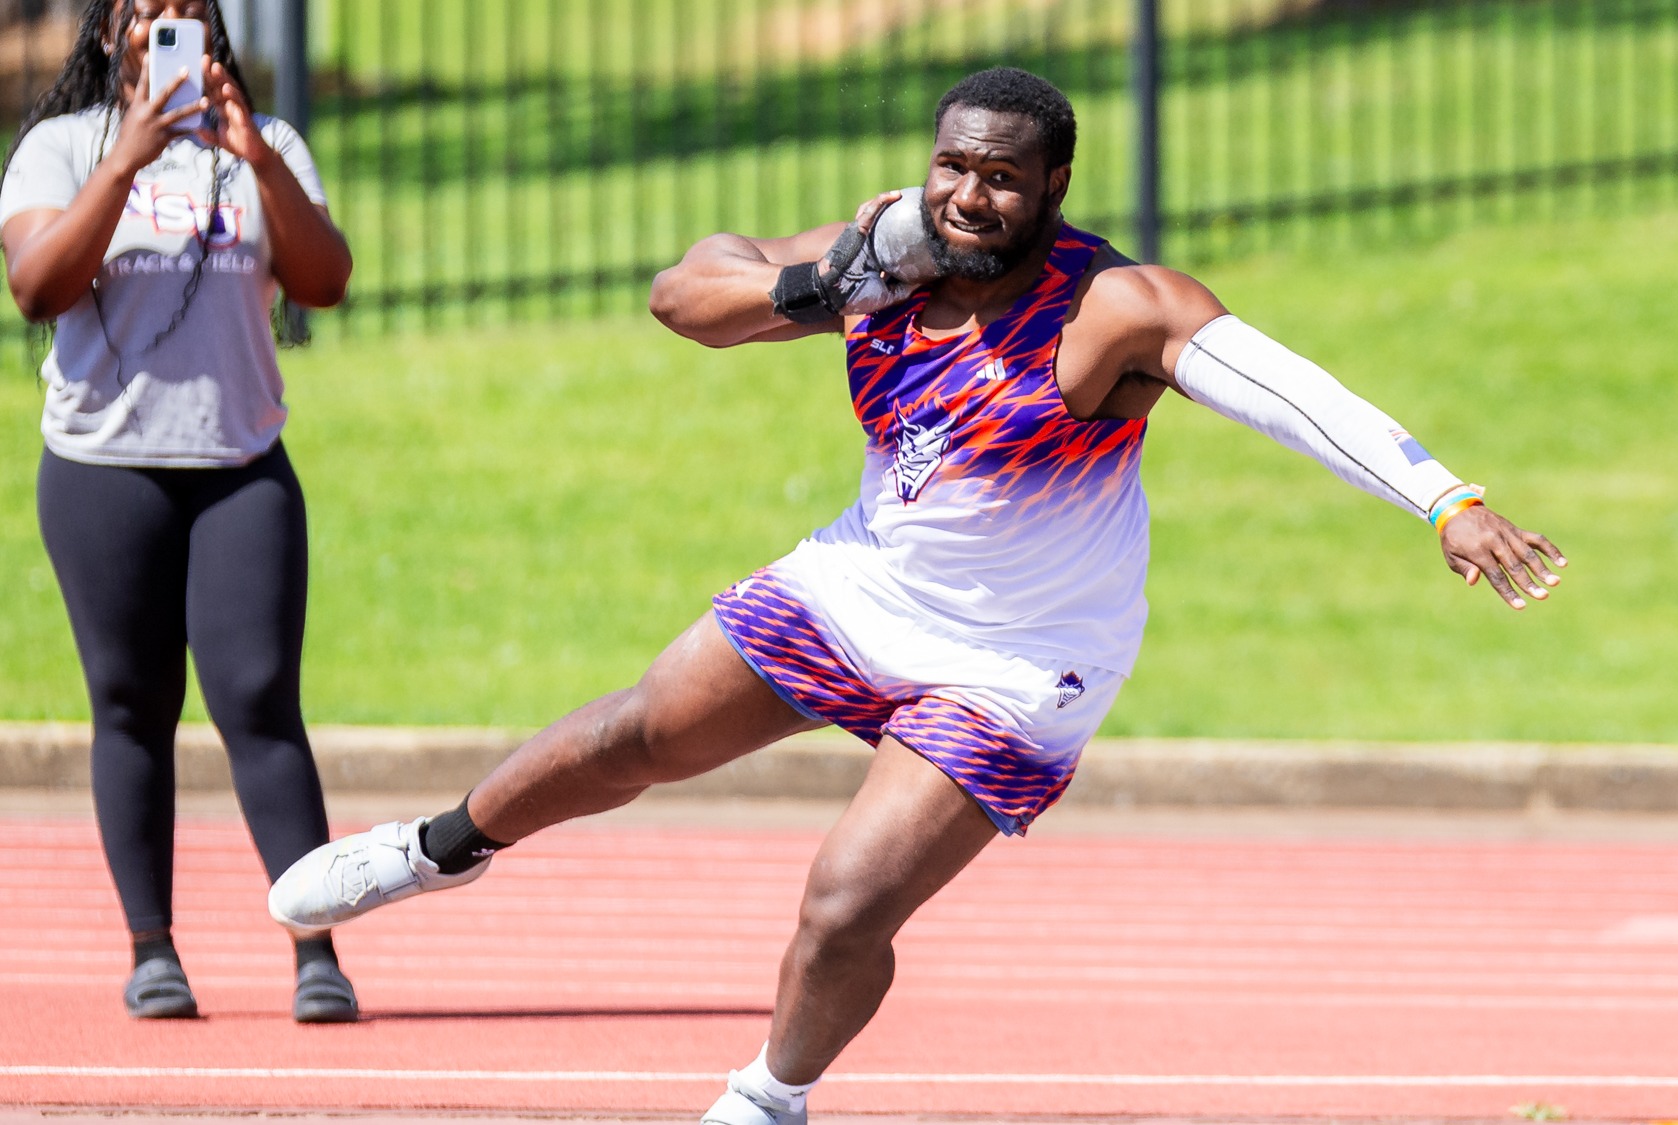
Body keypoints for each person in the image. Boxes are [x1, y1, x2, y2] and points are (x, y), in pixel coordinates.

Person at [269, 67, 1564, 1117]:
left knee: (845, 901)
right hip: (864, 582)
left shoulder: (1112, 307)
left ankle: (769, 1099)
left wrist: (1445, 499)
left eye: (1004, 177)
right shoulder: (888, 257)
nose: (971, 195)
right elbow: (685, 293)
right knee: (637, 734)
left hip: (1022, 655)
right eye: (956, 166)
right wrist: (821, 284)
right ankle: (436, 851)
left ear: (1054, 186)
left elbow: (1286, 389)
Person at [2, 0, 355, 1022]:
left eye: (186, 11)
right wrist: (130, 159)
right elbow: (36, 285)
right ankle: (151, 947)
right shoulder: (60, 149)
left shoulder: (266, 144)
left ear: (211, 35)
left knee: (257, 701)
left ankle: (314, 944)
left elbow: (323, 284)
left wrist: (258, 158)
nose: (165, 23)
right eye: (144, 10)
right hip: (103, 470)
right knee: (130, 705)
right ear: (107, 30)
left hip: (238, 462)